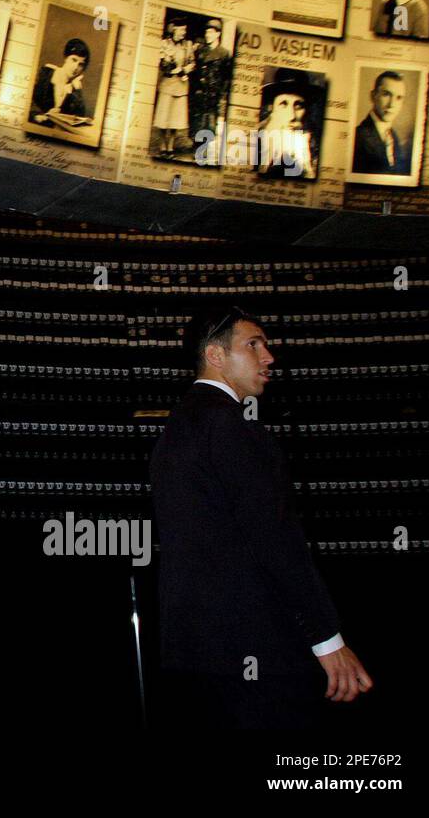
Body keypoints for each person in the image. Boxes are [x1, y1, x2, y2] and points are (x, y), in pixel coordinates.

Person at [150, 307, 373, 728]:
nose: (268, 356)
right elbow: (275, 540)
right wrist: (327, 640)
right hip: (261, 648)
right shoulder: (233, 426)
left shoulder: (176, 430)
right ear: (215, 356)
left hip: (197, 654)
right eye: (253, 345)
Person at [254, 72, 317, 179]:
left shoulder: (314, 149)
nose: (291, 116)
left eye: (298, 106)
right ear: (272, 109)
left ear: (306, 111)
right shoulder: (254, 143)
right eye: (283, 104)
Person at [352, 71, 411, 175]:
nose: (392, 104)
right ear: (373, 96)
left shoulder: (394, 138)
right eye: (386, 94)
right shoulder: (357, 136)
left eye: (398, 98)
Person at [153, 19, 194, 159]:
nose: (184, 33)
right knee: (163, 119)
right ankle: (162, 146)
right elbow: (162, 64)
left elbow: (192, 62)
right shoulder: (164, 44)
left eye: (185, 30)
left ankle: (170, 147)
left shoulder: (188, 45)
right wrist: (171, 68)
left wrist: (185, 69)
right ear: (174, 30)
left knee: (175, 120)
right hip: (167, 85)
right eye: (181, 30)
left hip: (181, 88)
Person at [189, 19, 231, 147]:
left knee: (210, 120)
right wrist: (195, 87)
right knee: (197, 118)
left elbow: (226, 75)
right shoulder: (200, 51)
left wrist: (221, 92)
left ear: (218, 34)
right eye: (207, 32)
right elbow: (195, 70)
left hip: (214, 93)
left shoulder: (224, 53)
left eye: (211, 32)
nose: (208, 35)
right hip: (200, 92)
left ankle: (205, 144)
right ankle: (196, 143)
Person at [30, 37, 90, 122]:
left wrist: (78, 92)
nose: (76, 67)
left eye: (81, 64)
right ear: (66, 58)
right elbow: (29, 101)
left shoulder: (73, 88)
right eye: (74, 60)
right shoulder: (46, 74)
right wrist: (37, 116)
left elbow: (79, 118)